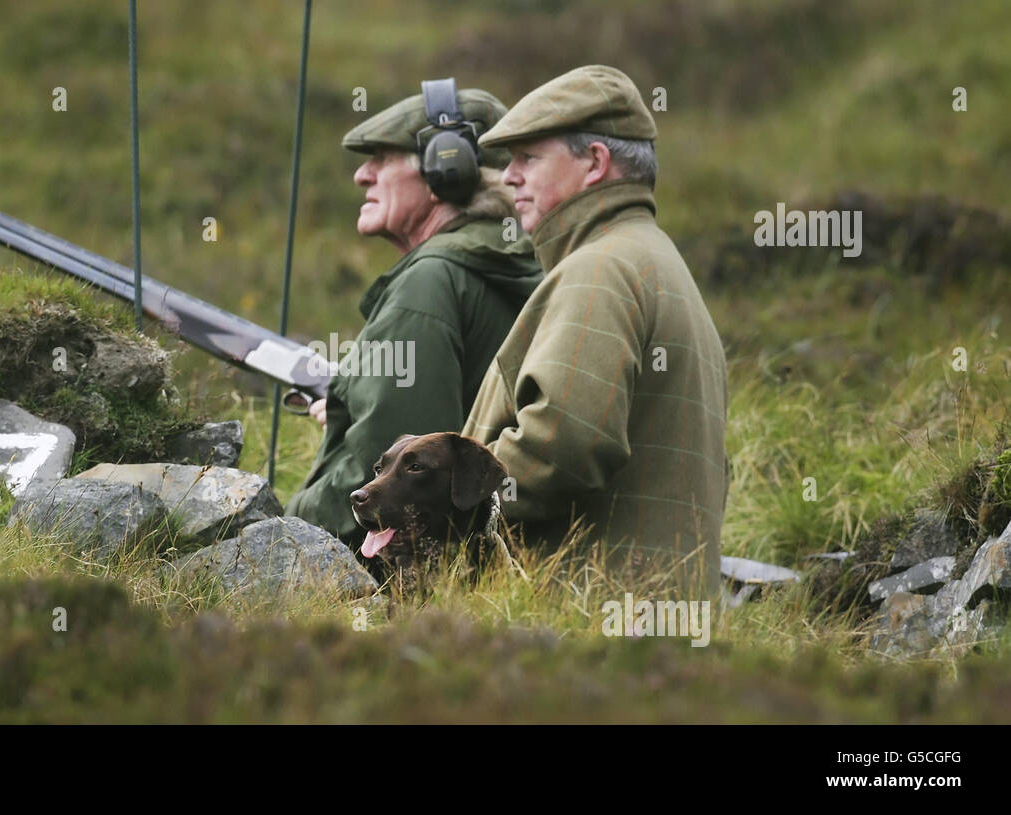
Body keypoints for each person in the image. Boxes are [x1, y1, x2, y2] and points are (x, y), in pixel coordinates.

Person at [461, 65, 729, 597]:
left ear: (596, 163)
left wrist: (451, 503)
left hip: (583, 613)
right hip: (647, 617)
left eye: (528, 158)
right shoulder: (655, 261)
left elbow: (563, 442)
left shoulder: (600, 269)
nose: (508, 177)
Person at [287, 81, 543, 551]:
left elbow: (396, 465)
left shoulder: (429, 281)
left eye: (382, 159)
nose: (362, 175)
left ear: (447, 170)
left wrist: (287, 527)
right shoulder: (510, 264)